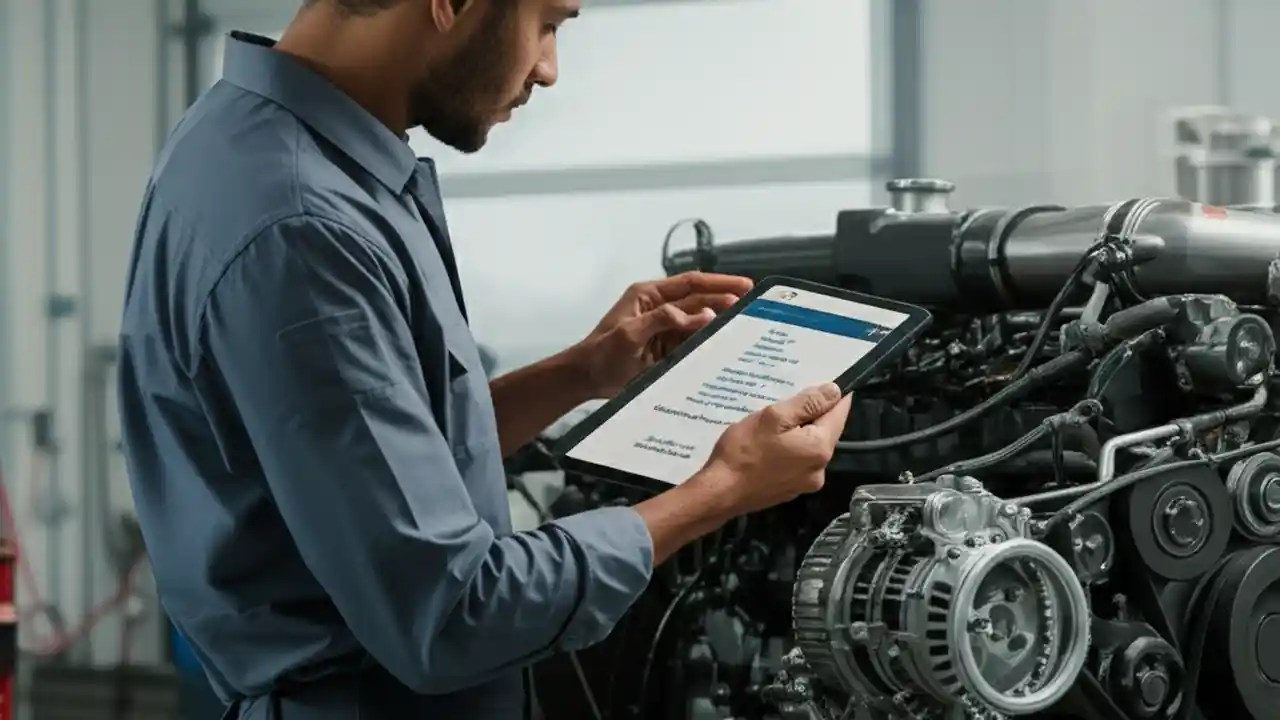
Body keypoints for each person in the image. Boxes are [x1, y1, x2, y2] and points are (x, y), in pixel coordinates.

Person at [115, 1, 854, 718]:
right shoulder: (305, 226)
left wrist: (580, 374)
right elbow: (452, 615)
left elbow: (370, 474)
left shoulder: (244, 136)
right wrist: (721, 491)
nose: (548, 69)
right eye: (545, 24)